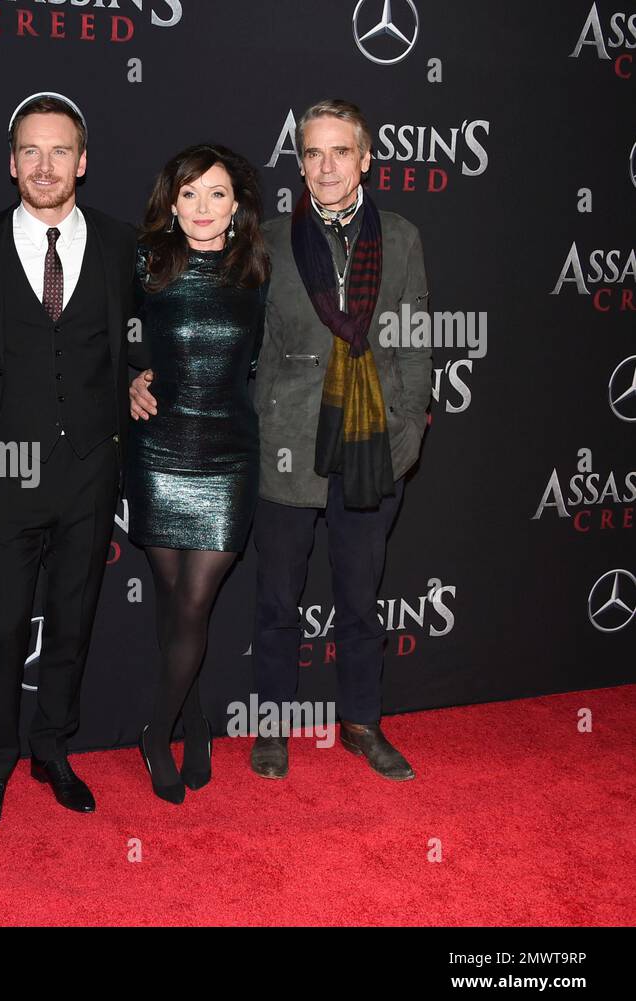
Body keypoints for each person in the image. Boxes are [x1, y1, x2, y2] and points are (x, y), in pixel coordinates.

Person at [140, 99, 430, 782]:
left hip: (372, 443)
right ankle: (273, 728)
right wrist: (152, 372)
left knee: (361, 599)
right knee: (277, 601)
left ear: (365, 159)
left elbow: (416, 341)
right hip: (284, 445)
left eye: (341, 151)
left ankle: (361, 723)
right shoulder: (266, 238)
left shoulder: (402, 236)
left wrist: (409, 429)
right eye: (313, 153)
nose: (326, 166)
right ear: (300, 163)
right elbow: (237, 339)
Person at [0, 93, 137, 834]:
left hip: (91, 468)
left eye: (59, 150)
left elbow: (146, 337)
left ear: (83, 162)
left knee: (73, 619)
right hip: (2, 472)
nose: (44, 165)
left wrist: (147, 378)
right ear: (10, 163)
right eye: (30, 151)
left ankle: (52, 747)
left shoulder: (126, 246)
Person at [124, 144, 269, 804]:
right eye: (190, 194)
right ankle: (199, 721)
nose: (203, 208)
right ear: (171, 202)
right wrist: (129, 378)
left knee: (194, 600)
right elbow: (103, 340)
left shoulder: (260, 270)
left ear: (236, 204)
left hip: (229, 455)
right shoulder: (146, 262)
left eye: (216, 194)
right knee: (173, 599)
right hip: (158, 452)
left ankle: (157, 731)